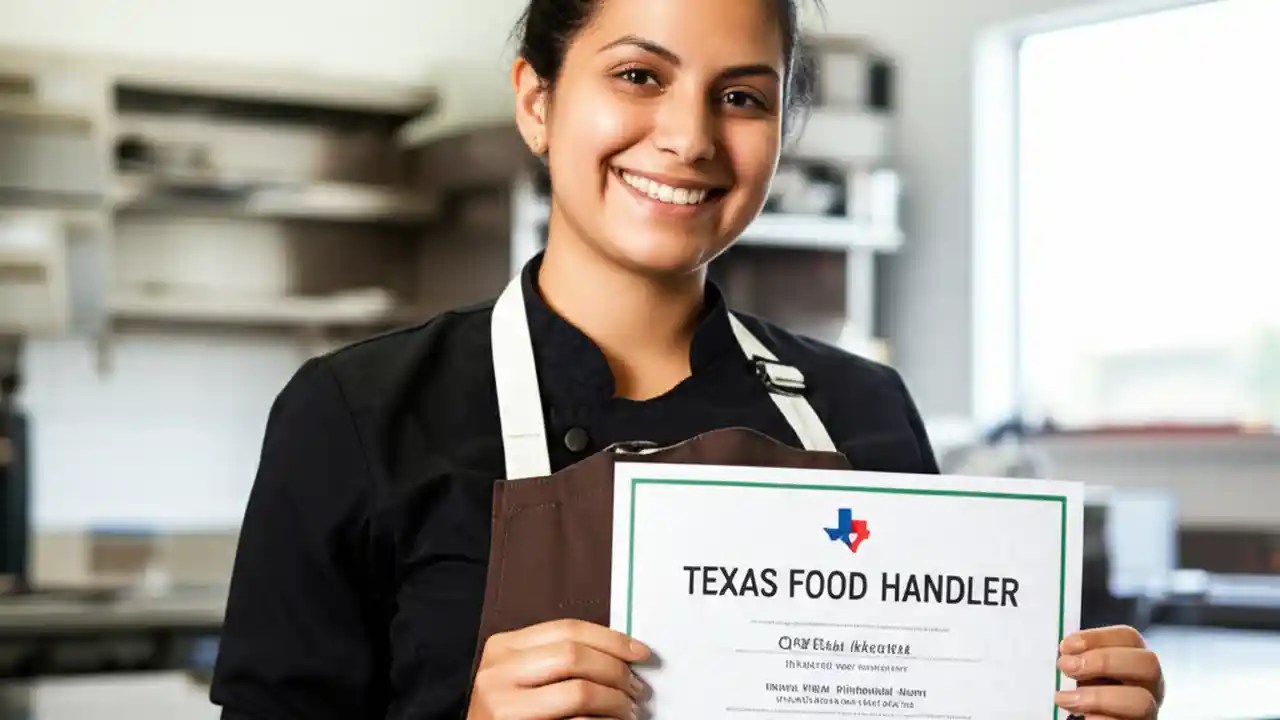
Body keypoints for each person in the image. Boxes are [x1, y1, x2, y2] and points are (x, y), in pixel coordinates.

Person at [210, 0, 1166, 718]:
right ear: (538, 102)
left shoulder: (861, 407)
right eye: (638, 76)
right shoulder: (354, 412)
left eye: (742, 96)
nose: (689, 136)